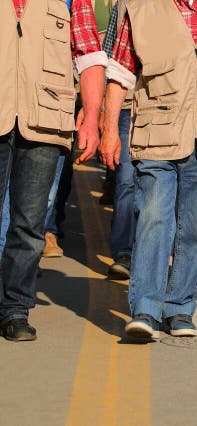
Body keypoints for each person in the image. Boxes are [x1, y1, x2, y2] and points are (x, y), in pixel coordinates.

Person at [99, 0, 197, 340]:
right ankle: (145, 308)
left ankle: (179, 307)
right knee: (154, 218)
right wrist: (110, 129)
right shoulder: (142, 8)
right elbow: (120, 72)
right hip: (158, 132)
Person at [0, 0, 106, 341]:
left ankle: (15, 309)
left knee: (30, 222)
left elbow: (89, 55)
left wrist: (91, 117)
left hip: (46, 120)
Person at [101, 0, 135, 279]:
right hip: (126, 106)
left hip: (165, 110)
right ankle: (123, 252)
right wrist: (104, 112)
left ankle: (154, 251)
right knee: (126, 180)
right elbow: (108, 55)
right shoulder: (125, 3)